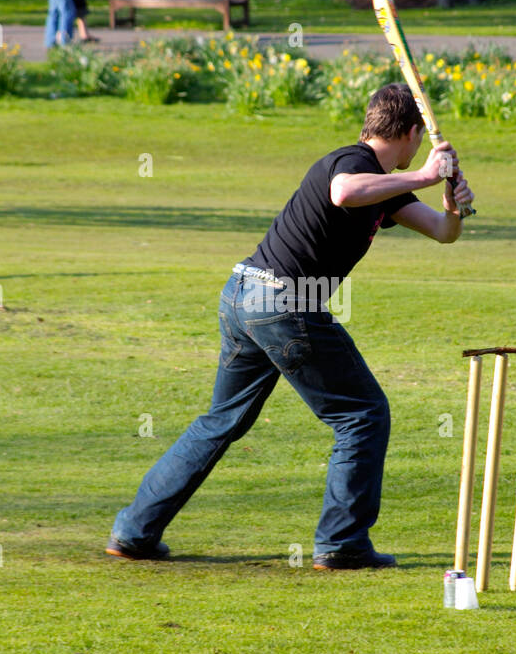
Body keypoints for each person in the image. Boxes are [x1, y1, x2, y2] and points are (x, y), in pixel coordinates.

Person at [107, 84, 474, 569]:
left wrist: (451, 200)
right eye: (417, 143)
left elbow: (444, 233)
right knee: (362, 414)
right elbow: (343, 192)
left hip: (242, 295)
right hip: (283, 303)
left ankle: (134, 532)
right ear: (410, 134)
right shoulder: (350, 162)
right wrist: (427, 174)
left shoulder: (385, 186)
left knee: (222, 420)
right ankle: (343, 544)